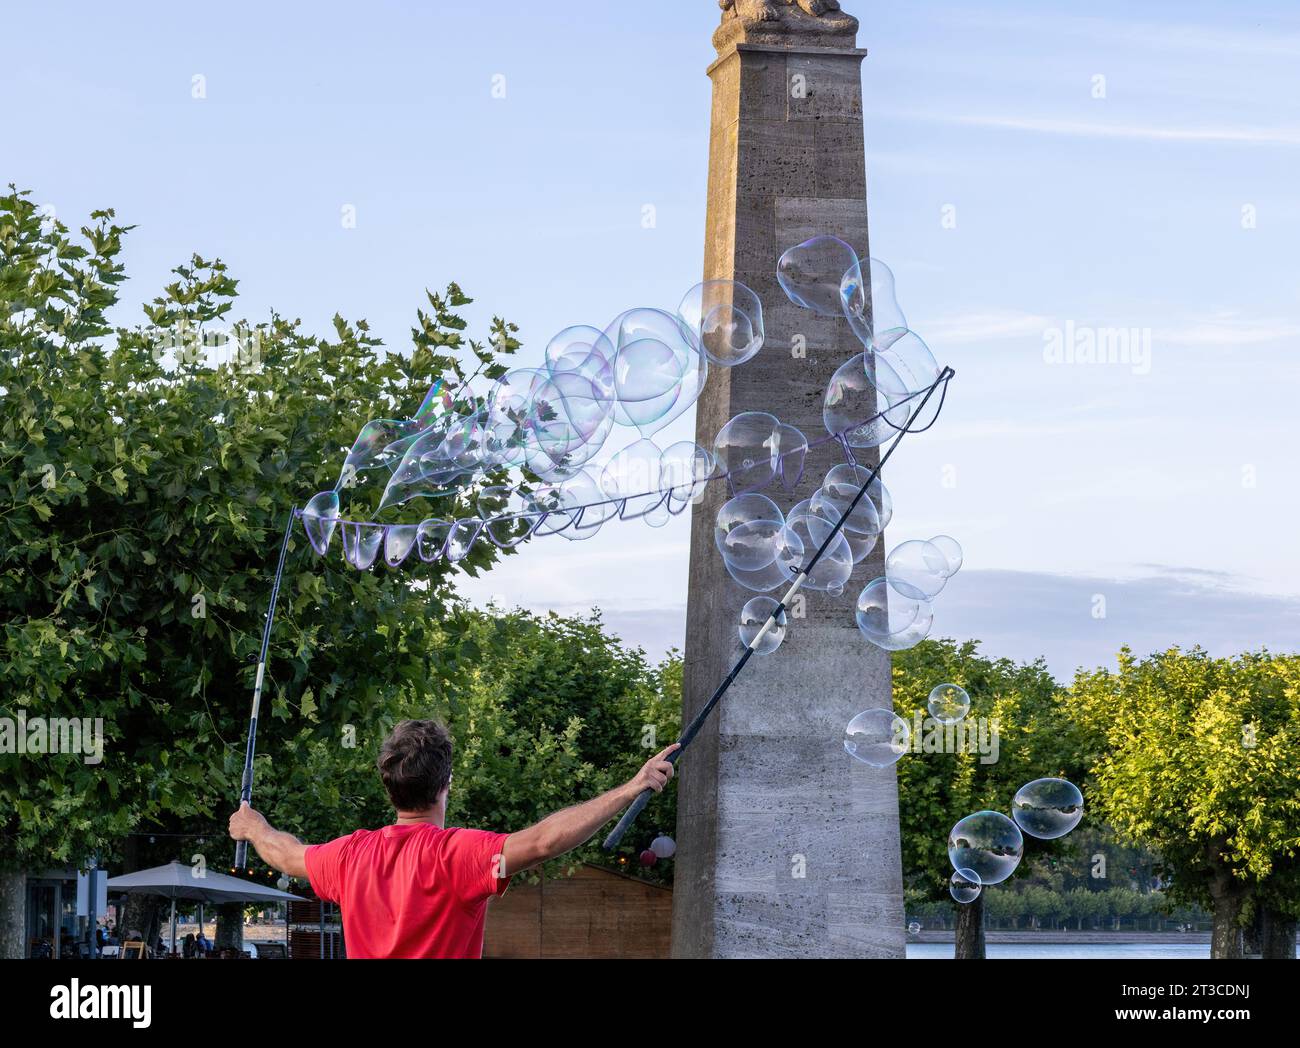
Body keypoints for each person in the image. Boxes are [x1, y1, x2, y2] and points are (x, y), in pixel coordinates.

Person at [229, 719, 676, 959]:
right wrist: (630, 786)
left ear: (389, 788)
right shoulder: (459, 857)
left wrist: (253, 826)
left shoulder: (349, 856)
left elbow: (286, 856)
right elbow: (543, 843)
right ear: (446, 785)